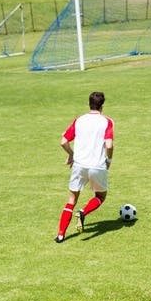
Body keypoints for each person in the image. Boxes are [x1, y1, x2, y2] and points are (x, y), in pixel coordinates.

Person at [55, 91, 114, 242]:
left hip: (79, 165)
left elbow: (63, 142)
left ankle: (60, 235)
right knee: (100, 196)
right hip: (97, 166)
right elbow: (109, 145)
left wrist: (71, 155)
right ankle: (83, 212)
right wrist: (108, 160)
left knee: (71, 200)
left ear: (89, 104)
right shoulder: (107, 121)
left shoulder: (79, 120)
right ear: (102, 106)